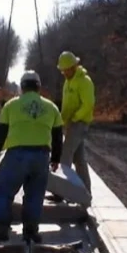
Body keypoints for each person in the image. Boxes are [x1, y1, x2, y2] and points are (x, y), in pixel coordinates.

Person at [0, 70, 63, 243]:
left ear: (22, 87)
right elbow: (58, 136)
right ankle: (30, 233)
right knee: (35, 196)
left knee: (4, 193)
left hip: (16, 156)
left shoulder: (11, 105)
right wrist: (56, 159)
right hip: (41, 157)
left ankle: (0, 232)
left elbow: (0, 132)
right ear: (38, 87)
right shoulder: (51, 107)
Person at [48, 51, 95, 202]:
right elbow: (67, 105)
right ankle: (86, 193)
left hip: (79, 123)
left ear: (74, 66)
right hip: (70, 123)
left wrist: (75, 118)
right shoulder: (68, 82)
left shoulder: (84, 81)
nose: (64, 72)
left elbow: (88, 104)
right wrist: (61, 121)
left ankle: (61, 192)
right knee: (79, 159)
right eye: (62, 70)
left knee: (65, 155)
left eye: (66, 69)